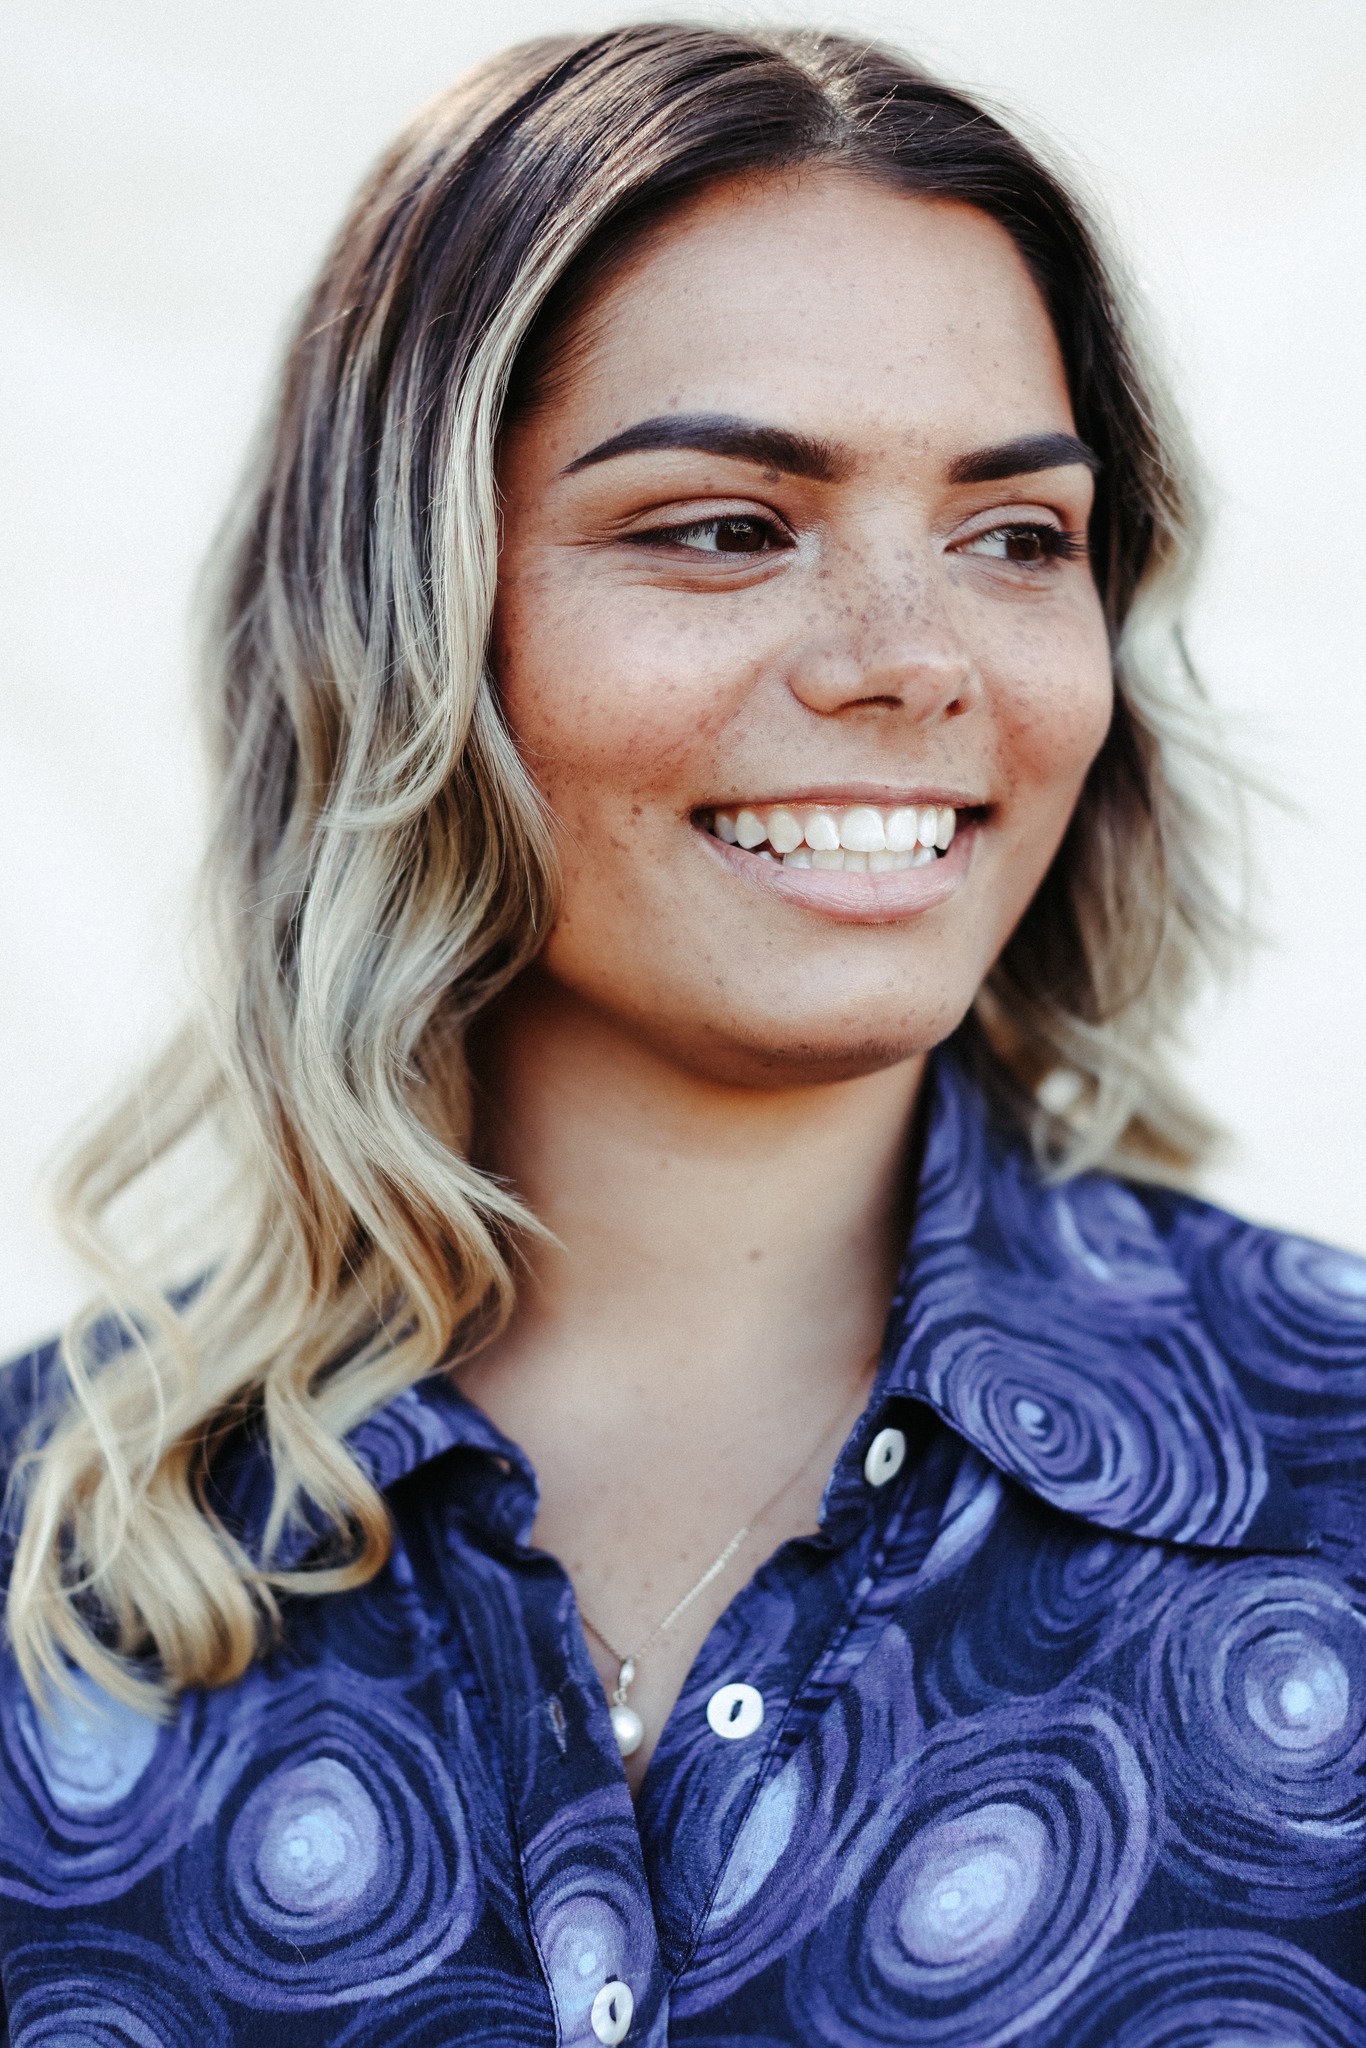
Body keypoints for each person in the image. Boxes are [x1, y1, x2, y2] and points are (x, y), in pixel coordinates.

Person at [1, 22, 1362, 2045]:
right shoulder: (51, 1547)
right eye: (723, 525)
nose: (910, 660)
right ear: (407, 620)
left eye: (1014, 537)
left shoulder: (1323, 1493)